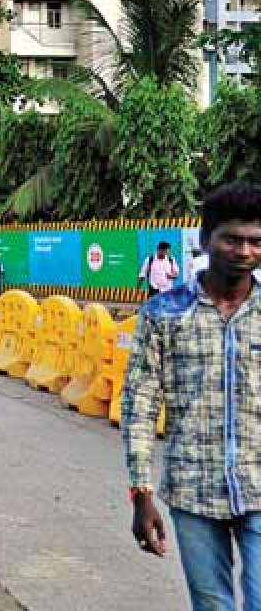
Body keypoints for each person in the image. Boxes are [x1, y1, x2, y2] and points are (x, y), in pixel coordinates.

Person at [121, 182, 261, 610]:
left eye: (256, 242)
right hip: (192, 489)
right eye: (232, 239)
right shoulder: (163, 313)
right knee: (212, 605)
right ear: (205, 240)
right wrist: (141, 494)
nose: (244, 251)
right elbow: (139, 405)